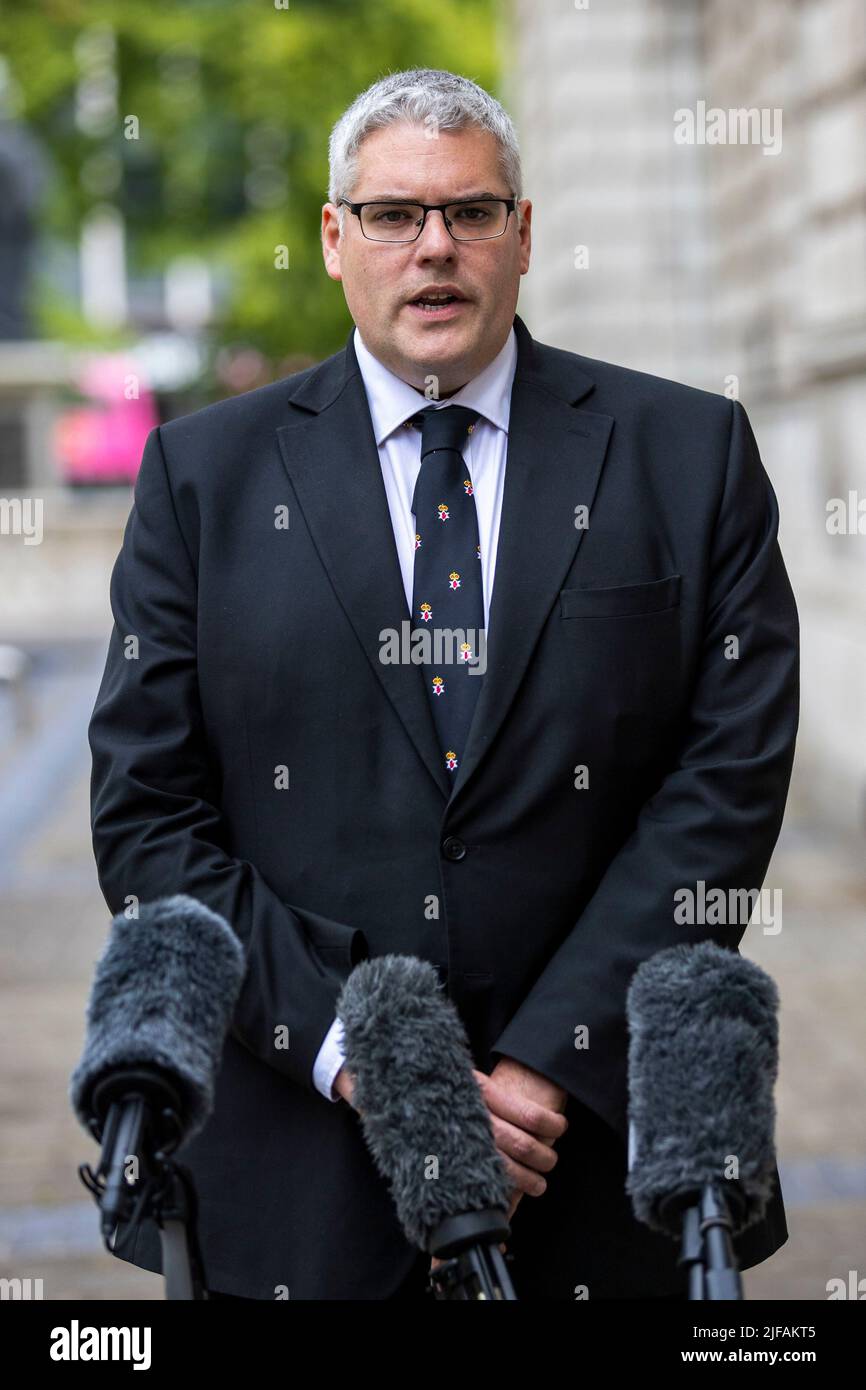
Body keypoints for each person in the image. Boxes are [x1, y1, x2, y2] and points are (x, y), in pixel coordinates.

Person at [88, 67, 798, 1300]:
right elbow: (149, 818)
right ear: (332, 237)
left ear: (523, 234)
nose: (434, 250)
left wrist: (547, 1061)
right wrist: (368, 1058)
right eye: (392, 215)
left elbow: (722, 782)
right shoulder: (199, 479)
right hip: (298, 1189)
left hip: (589, 1167)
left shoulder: (686, 454)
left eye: (470, 213)